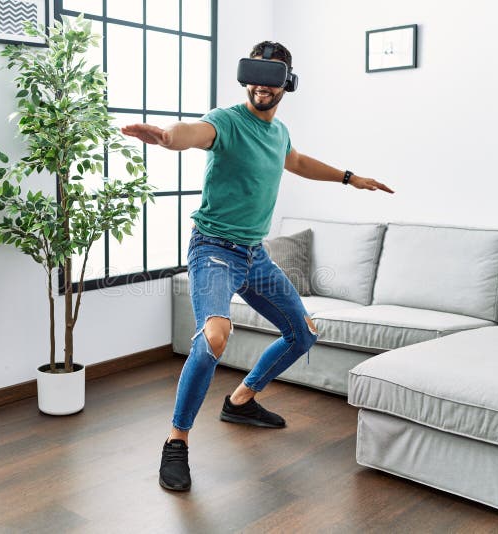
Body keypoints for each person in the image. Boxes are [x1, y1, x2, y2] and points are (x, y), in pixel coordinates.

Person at [121, 41, 394, 492]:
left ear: (287, 82)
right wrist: (168, 138)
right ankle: (176, 442)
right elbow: (195, 133)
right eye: (252, 74)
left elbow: (298, 162)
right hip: (213, 249)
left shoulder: (279, 133)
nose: (259, 86)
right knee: (214, 335)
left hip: (255, 254)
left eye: (270, 77)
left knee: (303, 332)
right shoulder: (227, 121)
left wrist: (350, 178)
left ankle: (241, 400)